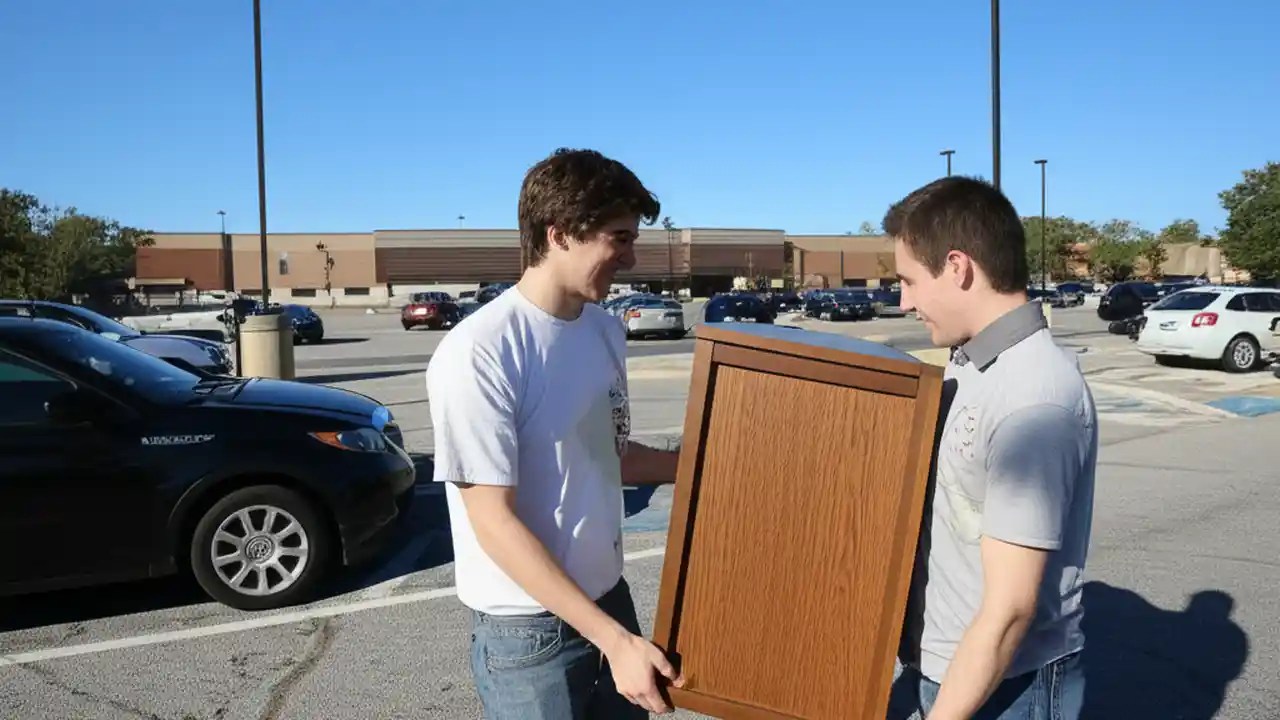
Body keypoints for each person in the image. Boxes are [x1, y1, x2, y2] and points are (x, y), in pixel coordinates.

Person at [426, 147, 686, 719]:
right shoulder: (481, 351)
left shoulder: (604, 332)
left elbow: (610, 457)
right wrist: (617, 644)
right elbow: (493, 521)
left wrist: (708, 465)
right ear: (561, 233)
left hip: (608, 600)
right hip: (529, 635)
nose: (631, 258)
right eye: (618, 238)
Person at [884, 176, 1098, 720]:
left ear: (958, 268)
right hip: (945, 665)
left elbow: (1009, 610)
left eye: (908, 280)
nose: (903, 300)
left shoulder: (1033, 400)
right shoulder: (974, 363)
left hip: (1004, 689)